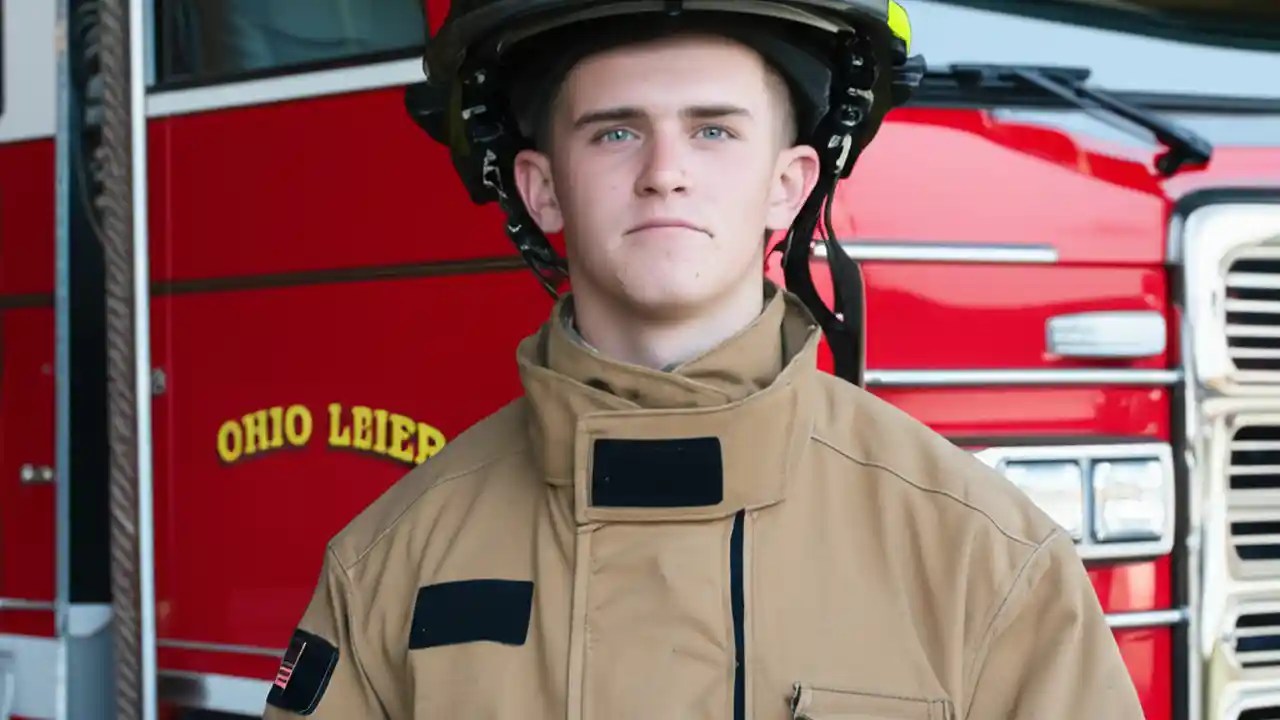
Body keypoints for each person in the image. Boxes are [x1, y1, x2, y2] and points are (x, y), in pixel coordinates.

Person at [264, 1, 1144, 718]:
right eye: (615, 133)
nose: (665, 172)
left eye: (714, 131)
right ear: (540, 187)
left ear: (789, 182)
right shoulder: (391, 566)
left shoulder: (983, 560)